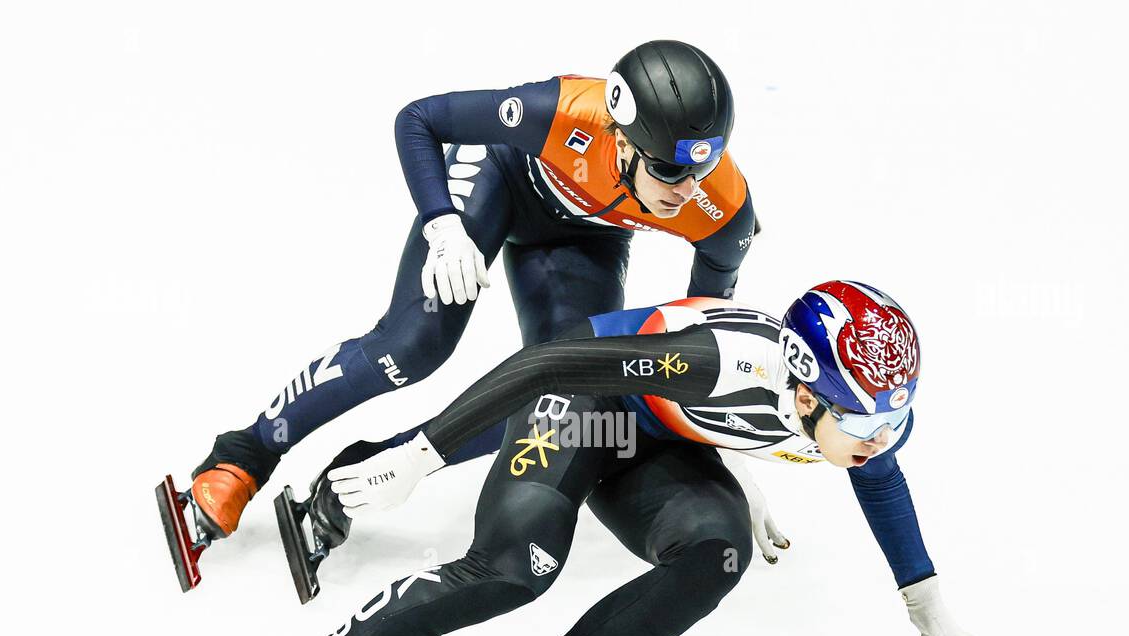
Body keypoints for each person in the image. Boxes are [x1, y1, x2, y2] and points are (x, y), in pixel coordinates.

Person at [206, 280, 999, 636]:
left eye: (889, 424)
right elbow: (544, 363)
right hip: (579, 402)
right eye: (860, 427)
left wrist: (919, 591)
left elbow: (882, 480)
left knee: (719, 553)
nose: (875, 444)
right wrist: (422, 452)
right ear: (801, 389)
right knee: (518, 569)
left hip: (655, 438)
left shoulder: (855, 415)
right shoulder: (712, 364)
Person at [161, 40, 757, 590]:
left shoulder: (720, 211)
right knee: (412, 344)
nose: (685, 190)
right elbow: (418, 118)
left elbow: (699, 338)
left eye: (703, 168)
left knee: (560, 395)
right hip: (502, 176)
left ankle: (367, 469)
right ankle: (242, 456)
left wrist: (714, 446)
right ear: (622, 141)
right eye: (670, 171)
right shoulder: (562, 112)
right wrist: (443, 224)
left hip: (583, 241)